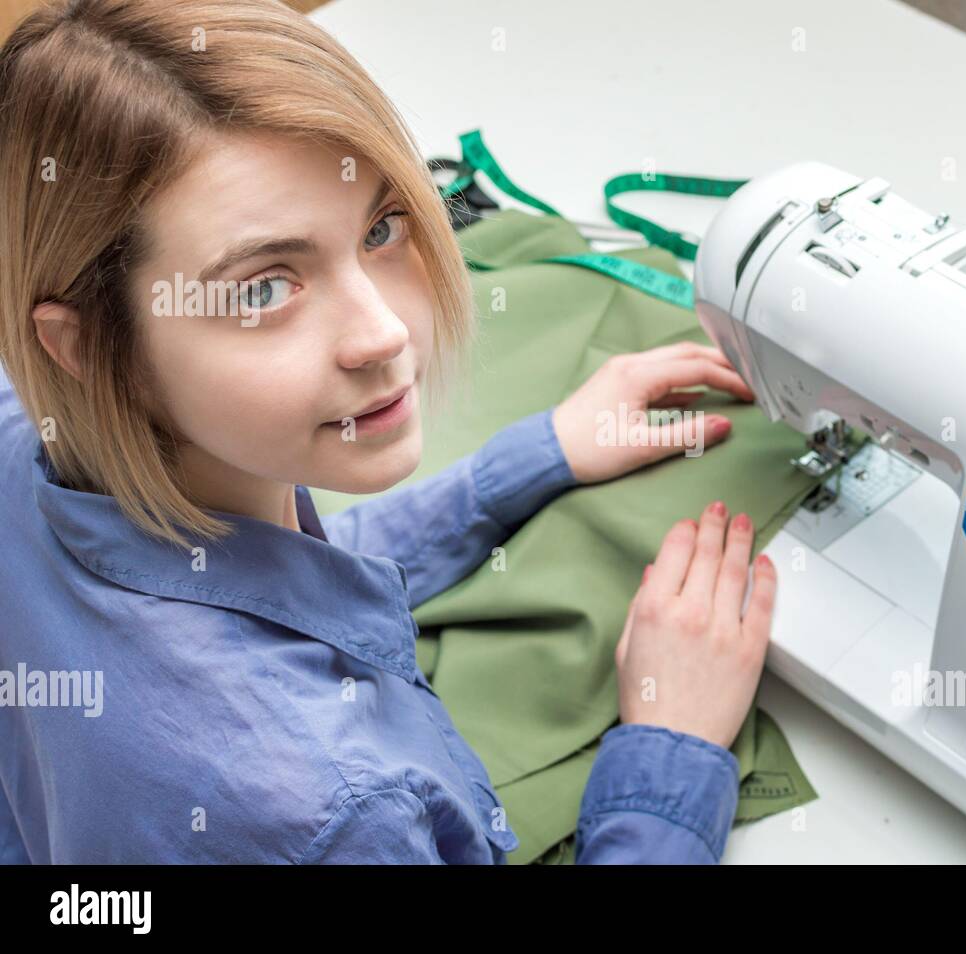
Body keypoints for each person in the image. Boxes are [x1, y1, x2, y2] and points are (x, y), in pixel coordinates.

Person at [0, 0, 778, 864]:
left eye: (379, 228)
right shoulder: (336, 813)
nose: (384, 334)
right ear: (84, 343)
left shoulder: (27, 423)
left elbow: (243, 578)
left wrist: (520, 467)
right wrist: (671, 757)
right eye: (263, 289)